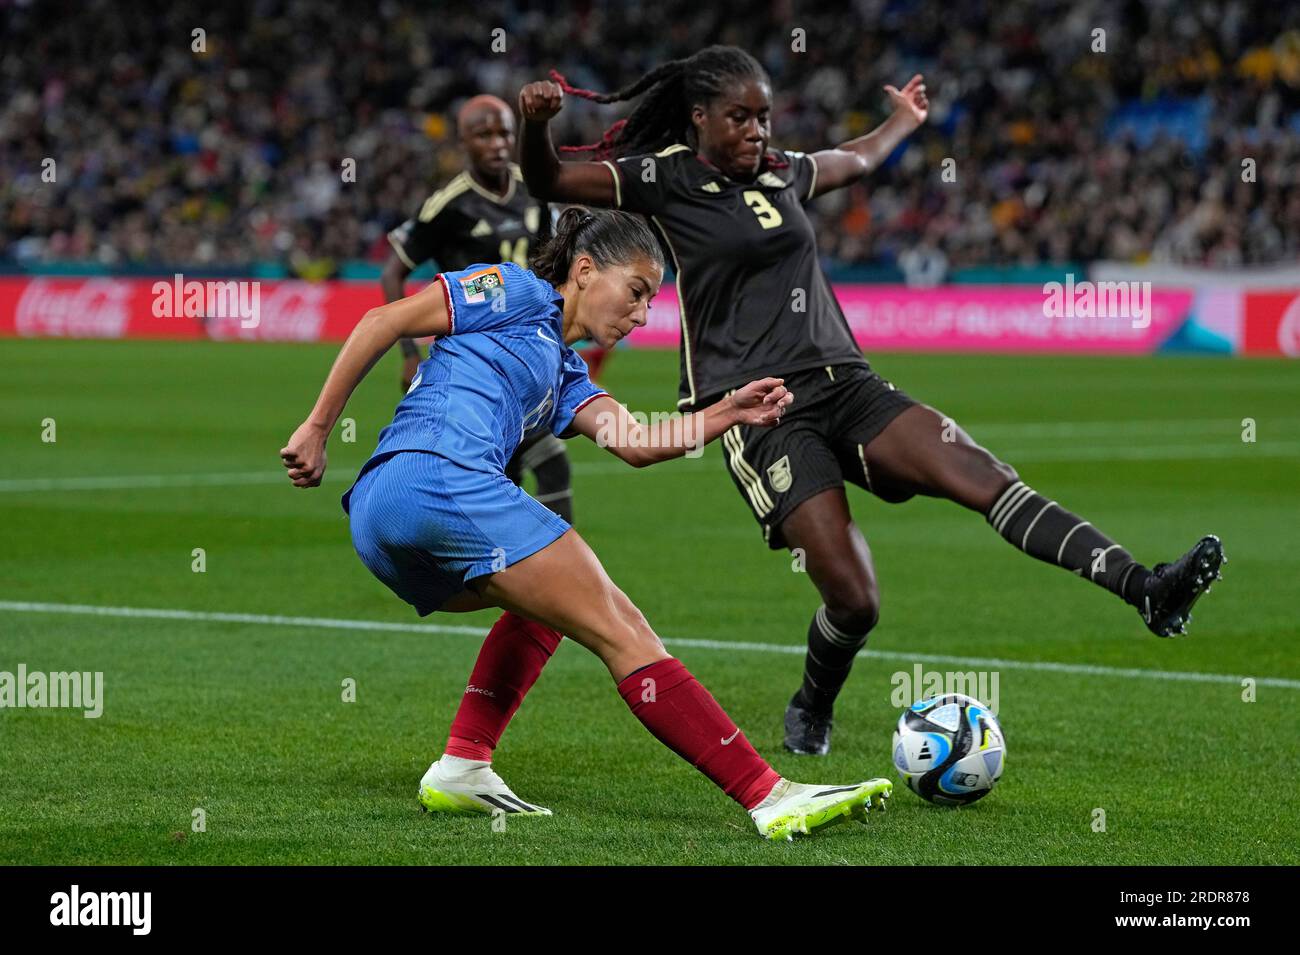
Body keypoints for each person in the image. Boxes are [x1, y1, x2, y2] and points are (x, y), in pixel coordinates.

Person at [509, 46, 1224, 757]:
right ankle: (813, 702)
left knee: (987, 478)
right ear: (699, 118)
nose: (758, 131)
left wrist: (903, 122)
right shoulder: (663, 179)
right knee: (855, 598)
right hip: (761, 409)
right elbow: (549, 180)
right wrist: (536, 125)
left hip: (848, 381)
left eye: (764, 116)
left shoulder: (783, 171)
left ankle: (1145, 588)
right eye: (740, 118)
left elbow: (855, 157)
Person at [280, 206, 892, 840]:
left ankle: (464, 762)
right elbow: (384, 318)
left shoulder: (565, 373)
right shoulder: (514, 290)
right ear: (584, 269)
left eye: (651, 301)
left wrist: (725, 413)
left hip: (383, 516)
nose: (643, 314)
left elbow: (635, 442)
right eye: (636, 292)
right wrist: (318, 427)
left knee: (547, 610)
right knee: (619, 624)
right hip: (440, 478)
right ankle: (770, 795)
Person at [382, 93, 576, 522]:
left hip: (529, 358)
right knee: (505, 475)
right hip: (476, 366)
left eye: (505, 133)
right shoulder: (450, 204)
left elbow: (559, 259)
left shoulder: (535, 191)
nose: (497, 144)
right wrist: (410, 355)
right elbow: (392, 273)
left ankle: (546, 576)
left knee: (546, 466)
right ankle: (516, 575)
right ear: (463, 142)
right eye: (483, 135)